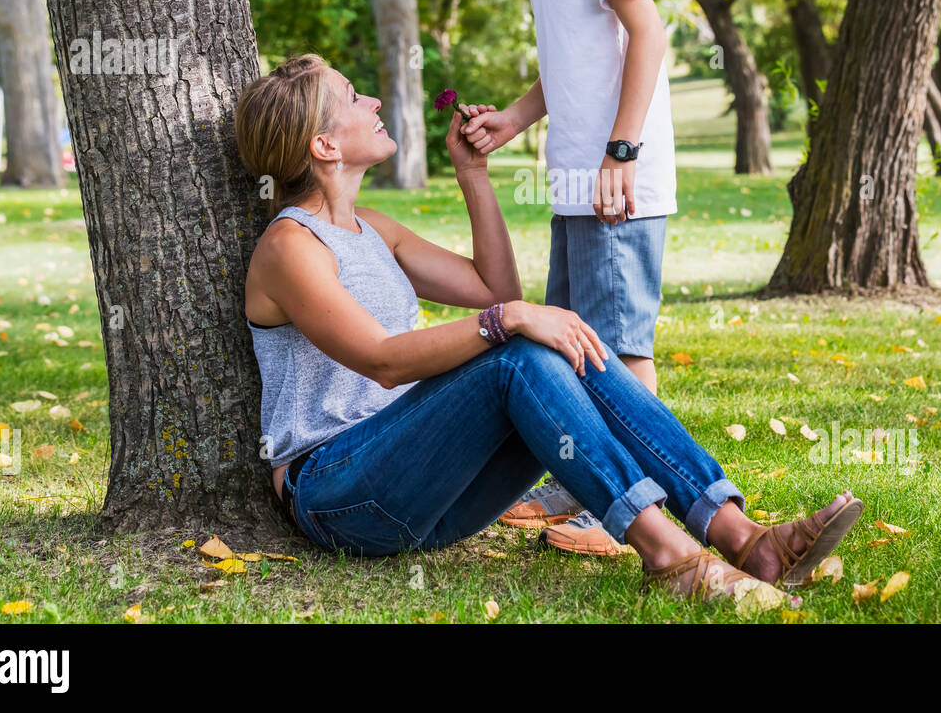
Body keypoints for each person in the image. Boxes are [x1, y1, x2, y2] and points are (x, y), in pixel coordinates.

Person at [233, 54, 864, 604]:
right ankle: (670, 555)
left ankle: (744, 539)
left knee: (548, 342)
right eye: (351, 97)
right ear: (324, 146)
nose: (372, 100)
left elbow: (493, 291)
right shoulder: (291, 246)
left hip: (427, 497)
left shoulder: (373, 228)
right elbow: (383, 360)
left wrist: (473, 176)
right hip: (338, 494)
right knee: (521, 350)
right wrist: (507, 321)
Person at [448, 0, 678, 554]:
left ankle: (625, 506)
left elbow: (647, 33)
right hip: (579, 183)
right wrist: (513, 119)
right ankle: (582, 478)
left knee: (618, 349)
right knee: (573, 339)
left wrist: (622, 151)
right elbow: (576, 58)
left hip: (618, 183)